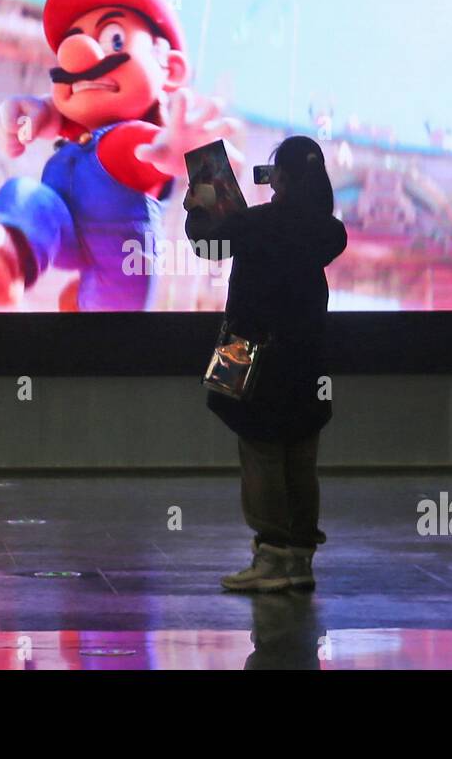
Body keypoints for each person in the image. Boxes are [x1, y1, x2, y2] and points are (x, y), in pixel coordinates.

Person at [184, 135, 348, 592]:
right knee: (300, 456)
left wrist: (200, 207)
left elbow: (208, 246)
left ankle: (271, 556)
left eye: (276, 171)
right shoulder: (328, 230)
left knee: (258, 450)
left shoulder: (259, 222)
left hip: (245, 349)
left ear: (286, 177)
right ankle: (298, 557)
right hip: (306, 355)